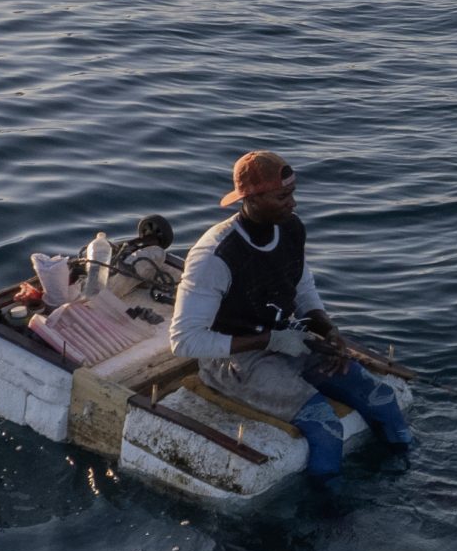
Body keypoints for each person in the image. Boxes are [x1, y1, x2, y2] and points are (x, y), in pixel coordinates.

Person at [167, 150, 413, 476]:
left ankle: (414, 475)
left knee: (380, 397)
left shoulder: (290, 229)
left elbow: (302, 288)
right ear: (252, 198)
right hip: (237, 362)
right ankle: (330, 516)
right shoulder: (214, 256)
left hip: (291, 339)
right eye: (283, 196)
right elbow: (184, 342)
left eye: (292, 193)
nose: (293, 203)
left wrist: (329, 331)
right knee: (325, 427)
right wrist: (271, 340)